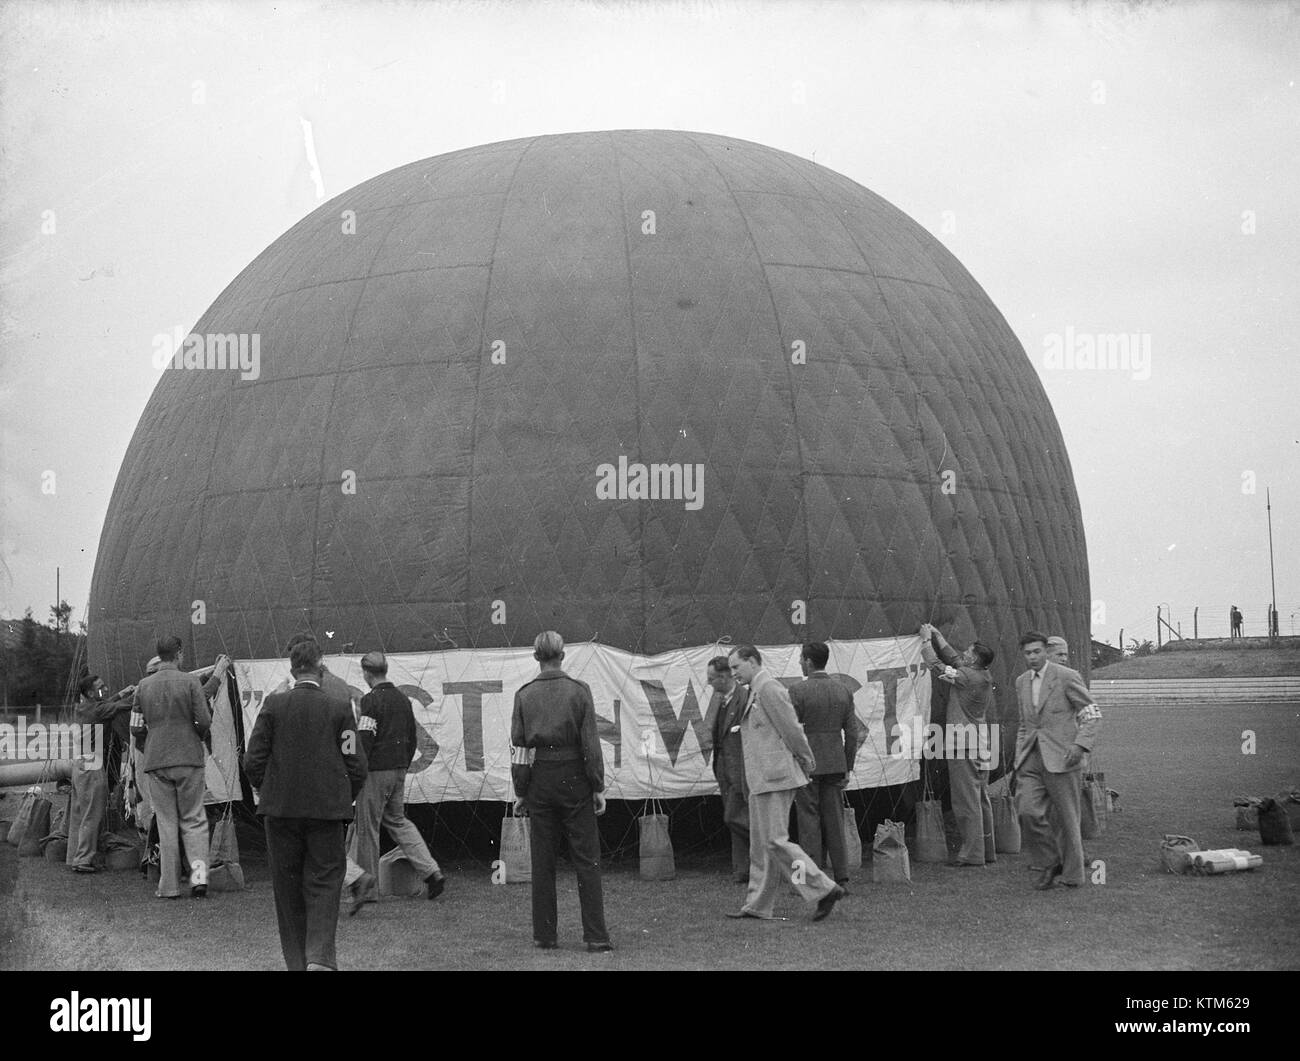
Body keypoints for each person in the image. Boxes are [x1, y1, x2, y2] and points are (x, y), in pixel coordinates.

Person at [243, 636, 367, 970]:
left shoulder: (272, 705)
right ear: (320, 665)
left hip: (280, 812)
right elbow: (356, 766)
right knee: (325, 884)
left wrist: (269, 790)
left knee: (287, 890)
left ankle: (297, 963)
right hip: (327, 814)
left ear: (292, 668)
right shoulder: (340, 709)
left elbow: (253, 761)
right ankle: (320, 959)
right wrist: (341, 798)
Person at [510, 631, 612, 953]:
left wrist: (522, 790)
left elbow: (520, 749)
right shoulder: (579, 691)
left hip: (540, 780)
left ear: (536, 657)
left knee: (543, 861)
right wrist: (597, 785)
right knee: (587, 860)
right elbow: (590, 745)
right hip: (575, 779)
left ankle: (545, 936)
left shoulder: (524, 695)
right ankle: (596, 936)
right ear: (562, 655)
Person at [726, 645, 844, 922]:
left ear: (753, 662)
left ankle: (823, 888)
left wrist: (806, 759)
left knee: (775, 842)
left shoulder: (769, 689)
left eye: (736, 667)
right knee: (762, 845)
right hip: (762, 778)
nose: (733, 673)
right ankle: (757, 904)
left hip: (775, 777)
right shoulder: (755, 689)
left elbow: (791, 728)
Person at [342, 651, 446, 915]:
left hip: (375, 771)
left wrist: (357, 770)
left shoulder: (370, 701)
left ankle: (369, 889)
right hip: (399, 769)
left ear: (366, 673)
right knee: (398, 821)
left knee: (367, 828)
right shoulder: (402, 699)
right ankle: (431, 872)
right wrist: (403, 764)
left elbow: (365, 738)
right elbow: (413, 737)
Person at [1013, 631, 1102, 890]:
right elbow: (1024, 723)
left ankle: (1073, 876)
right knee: (1027, 811)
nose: (1032, 657)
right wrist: (1021, 750)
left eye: (1036, 652)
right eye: (1027, 653)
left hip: (1064, 759)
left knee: (1068, 819)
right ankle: (1050, 861)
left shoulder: (1067, 677)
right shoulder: (1021, 682)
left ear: (1046, 652)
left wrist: (1080, 745)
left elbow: (1092, 715)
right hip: (1030, 759)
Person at [131, 635, 215, 898]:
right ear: (178, 654)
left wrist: (151, 743)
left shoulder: (142, 687)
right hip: (189, 757)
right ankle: (199, 879)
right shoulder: (190, 682)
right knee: (195, 819)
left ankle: (168, 886)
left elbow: (135, 727)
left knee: (166, 823)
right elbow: (204, 720)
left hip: (157, 761)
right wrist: (195, 737)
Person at [919, 624, 996, 867]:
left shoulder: (966, 677)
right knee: (980, 797)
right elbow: (954, 658)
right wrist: (939, 637)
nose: (963, 653)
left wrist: (925, 642)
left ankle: (972, 854)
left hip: (962, 744)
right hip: (980, 742)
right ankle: (986, 851)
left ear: (974, 659)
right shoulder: (981, 674)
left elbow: (937, 665)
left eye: (968, 652)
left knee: (966, 801)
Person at [789, 642, 862, 888]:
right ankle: (842, 875)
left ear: (808, 661)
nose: (800, 662)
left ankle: (811, 878)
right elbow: (852, 733)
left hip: (806, 765)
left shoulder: (797, 691)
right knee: (834, 820)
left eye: (801, 659)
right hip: (835, 764)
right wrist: (847, 766)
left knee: (808, 821)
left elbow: (792, 732)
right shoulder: (843, 691)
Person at [67, 673, 134, 873]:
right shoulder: (98, 710)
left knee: (79, 813)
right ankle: (83, 860)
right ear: (89, 692)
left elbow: (105, 704)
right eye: (100, 687)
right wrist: (140, 692)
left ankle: (74, 856)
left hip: (80, 764)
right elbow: (120, 706)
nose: (104, 690)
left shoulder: (84, 707)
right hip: (92, 764)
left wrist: (121, 693)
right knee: (93, 814)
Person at [707, 655, 750, 884]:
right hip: (724, 767)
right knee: (736, 816)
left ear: (724, 677)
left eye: (712, 678)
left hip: (739, 769)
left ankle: (763, 854)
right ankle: (742, 869)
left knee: (735, 816)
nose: (709, 683)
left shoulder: (743, 698)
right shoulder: (720, 700)